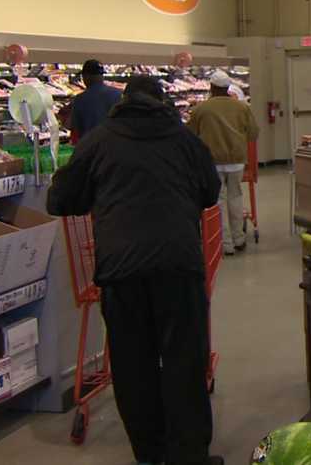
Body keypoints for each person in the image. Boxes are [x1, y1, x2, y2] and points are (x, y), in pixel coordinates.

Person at [46, 75, 223, 465]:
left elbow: (61, 199)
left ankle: (148, 452)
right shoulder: (184, 141)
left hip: (121, 270)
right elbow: (210, 191)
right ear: (163, 102)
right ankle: (189, 454)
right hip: (178, 265)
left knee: (132, 363)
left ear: (122, 101)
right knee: (184, 359)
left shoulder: (98, 141)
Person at [187, 70, 259, 256]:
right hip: (237, 160)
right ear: (228, 87)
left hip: (212, 162)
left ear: (211, 87)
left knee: (218, 200)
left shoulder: (201, 109)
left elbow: (190, 136)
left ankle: (224, 243)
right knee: (236, 196)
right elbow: (253, 133)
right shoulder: (242, 107)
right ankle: (239, 239)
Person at [68, 59, 121, 144]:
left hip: (90, 148)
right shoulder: (118, 95)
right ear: (102, 76)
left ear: (86, 76)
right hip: (113, 146)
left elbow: (75, 129)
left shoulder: (80, 99)